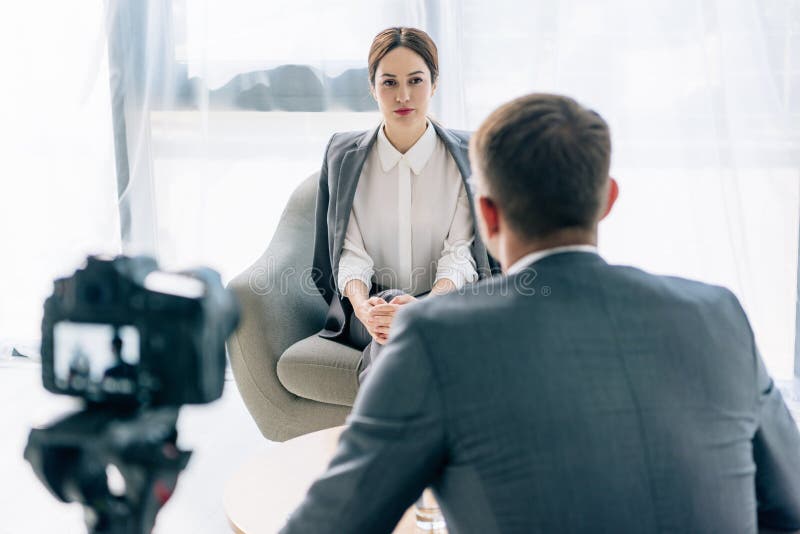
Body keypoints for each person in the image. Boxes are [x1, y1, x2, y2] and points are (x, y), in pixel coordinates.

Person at [283, 93, 800, 533]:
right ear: (607, 199)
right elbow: (790, 506)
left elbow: (334, 522)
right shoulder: (719, 316)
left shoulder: (436, 336)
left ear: (487, 214)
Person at [312, 27, 496, 381]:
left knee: (404, 330)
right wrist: (364, 307)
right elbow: (350, 252)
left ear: (435, 83)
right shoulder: (344, 156)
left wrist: (423, 307)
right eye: (389, 83)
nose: (403, 95)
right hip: (370, 311)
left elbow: (460, 252)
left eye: (415, 80)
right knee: (393, 317)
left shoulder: (465, 156)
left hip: (441, 305)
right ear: (372, 87)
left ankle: (375, 426)